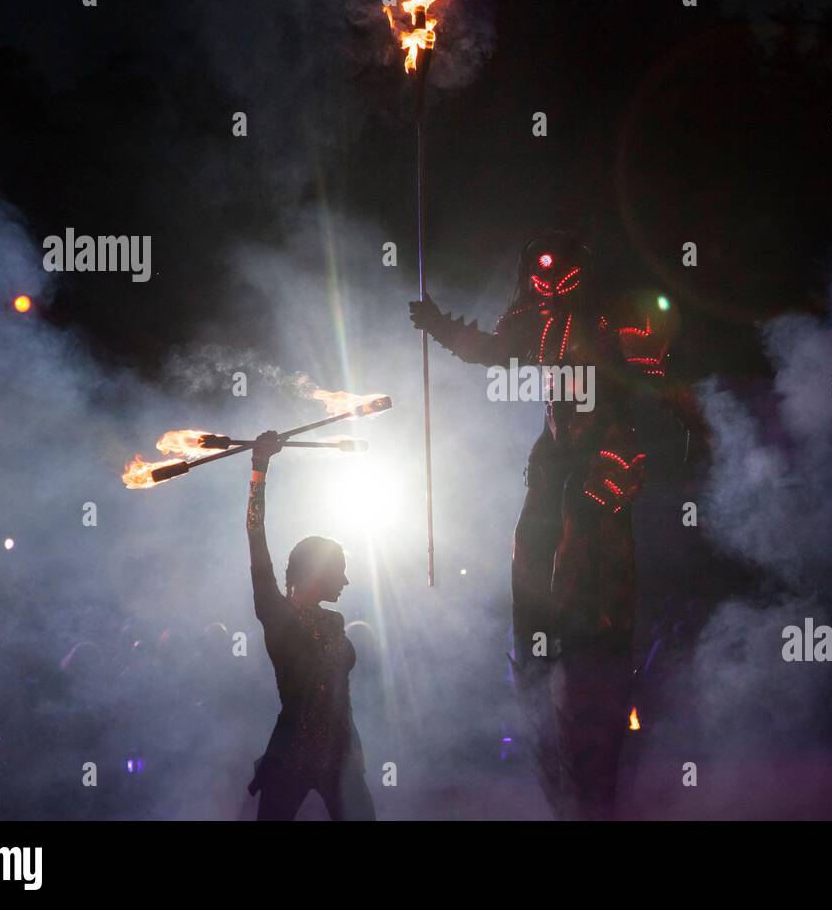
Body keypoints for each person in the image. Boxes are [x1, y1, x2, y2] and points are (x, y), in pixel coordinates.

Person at [409, 230, 691, 818]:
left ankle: (590, 667)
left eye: (558, 277)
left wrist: (680, 415)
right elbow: (492, 351)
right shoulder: (538, 323)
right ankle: (543, 658)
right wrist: (439, 326)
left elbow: (660, 381)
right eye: (539, 280)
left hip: (604, 455)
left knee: (583, 556)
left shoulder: (613, 322)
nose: (548, 288)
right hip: (556, 456)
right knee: (533, 558)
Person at [244, 430, 375, 821]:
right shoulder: (276, 612)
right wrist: (259, 468)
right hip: (292, 754)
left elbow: (340, 697)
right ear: (316, 573)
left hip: (339, 756)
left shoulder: (334, 622)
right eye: (340, 572)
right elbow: (255, 537)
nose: (346, 582)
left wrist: (354, 750)